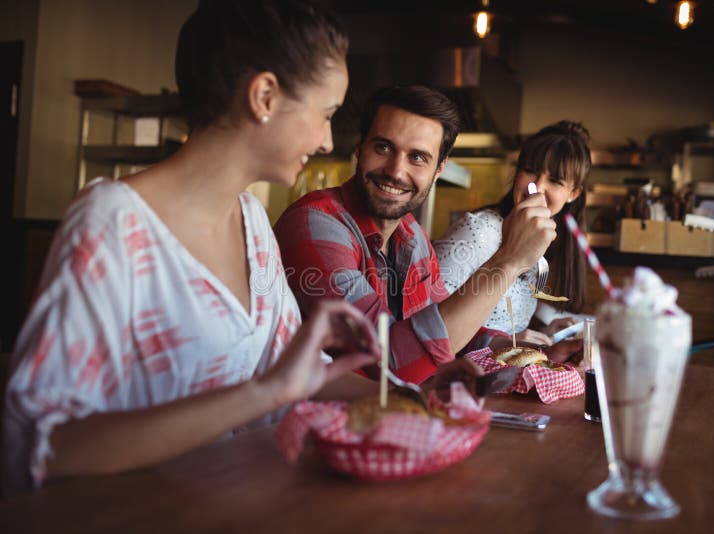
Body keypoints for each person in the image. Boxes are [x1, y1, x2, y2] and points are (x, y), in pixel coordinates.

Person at [2, 0, 385, 495]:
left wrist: (416, 395)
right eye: (326, 113)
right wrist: (263, 393)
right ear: (265, 96)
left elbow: (294, 371)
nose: (328, 140)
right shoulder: (114, 223)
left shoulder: (251, 223)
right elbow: (42, 445)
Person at [274, 86, 581, 385]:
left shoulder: (412, 236)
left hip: (392, 418)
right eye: (383, 147)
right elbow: (390, 364)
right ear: (359, 147)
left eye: (418, 157)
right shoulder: (315, 225)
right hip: (315, 426)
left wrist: (537, 355)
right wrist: (509, 261)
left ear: (439, 169)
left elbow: (454, 335)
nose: (396, 171)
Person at [434, 121, 591, 345]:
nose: (536, 187)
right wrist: (506, 342)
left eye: (555, 181)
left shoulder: (539, 244)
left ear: (573, 193)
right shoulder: (478, 231)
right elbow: (429, 327)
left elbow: (505, 323)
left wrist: (546, 333)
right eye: (530, 171)